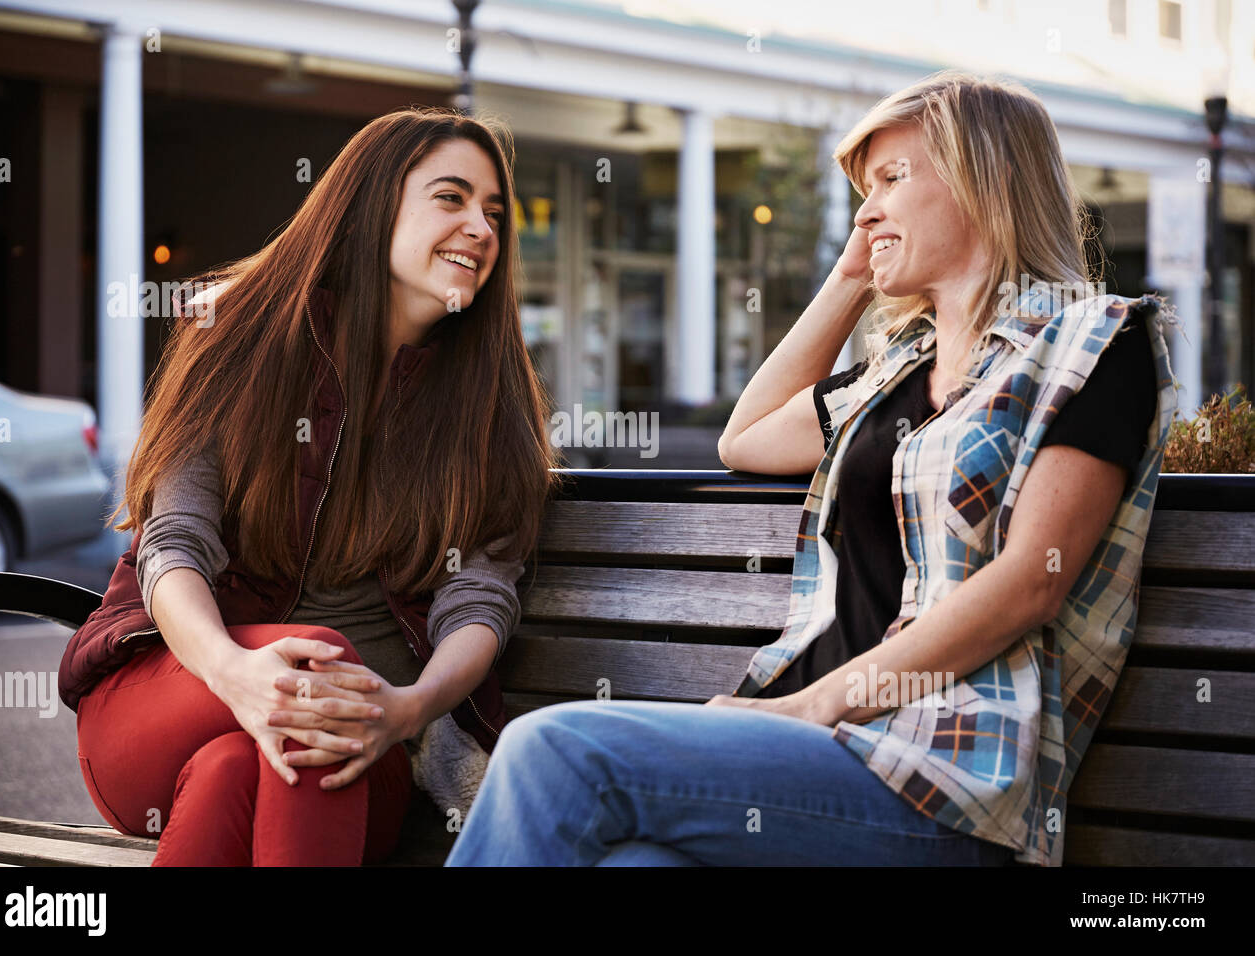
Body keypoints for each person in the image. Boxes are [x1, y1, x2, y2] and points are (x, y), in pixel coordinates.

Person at [445, 70, 1179, 867]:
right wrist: (853, 276)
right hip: (820, 768)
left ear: (984, 183)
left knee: (557, 749)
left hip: (946, 783)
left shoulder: (1095, 344)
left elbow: (1032, 580)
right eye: (864, 192)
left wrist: (811, 708)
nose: (866, 213)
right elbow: (748, 437)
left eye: (893, 181)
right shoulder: (897, 371)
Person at [59, 107, 563, 866]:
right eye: (452, 198)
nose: (483, 228)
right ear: (372, 206)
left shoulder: (493, 409)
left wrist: (410, 710)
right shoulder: (239, 339)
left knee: (248, 763)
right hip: (173, 696)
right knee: (316, 666)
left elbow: (481, 595)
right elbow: (175, 543)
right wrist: (236, 674)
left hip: (363, 742)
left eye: (494, 213)